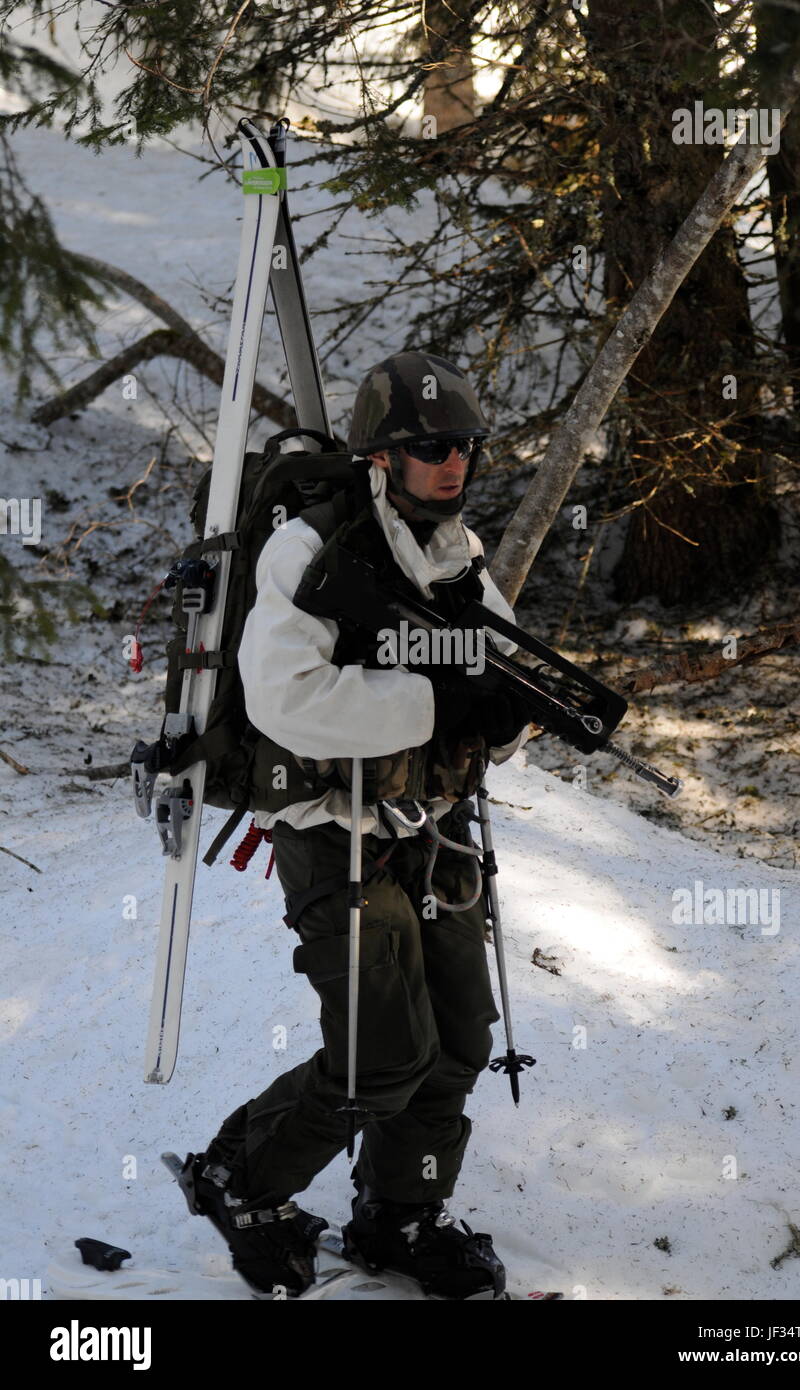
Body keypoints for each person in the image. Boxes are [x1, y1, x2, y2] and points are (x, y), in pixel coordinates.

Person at [179, 351, 531, 1300]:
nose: (451, 464)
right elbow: (285, 697)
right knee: (383, 1055)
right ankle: (241, 1180)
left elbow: (506, 670)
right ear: (382, 458)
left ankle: (399, 1214)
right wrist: (435, 703)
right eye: (427, 450)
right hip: (335, 825)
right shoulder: (307, 546)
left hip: (439, 829)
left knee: (457, 1040)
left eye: (462, 446)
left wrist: (504, 716)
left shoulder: (455, 547)